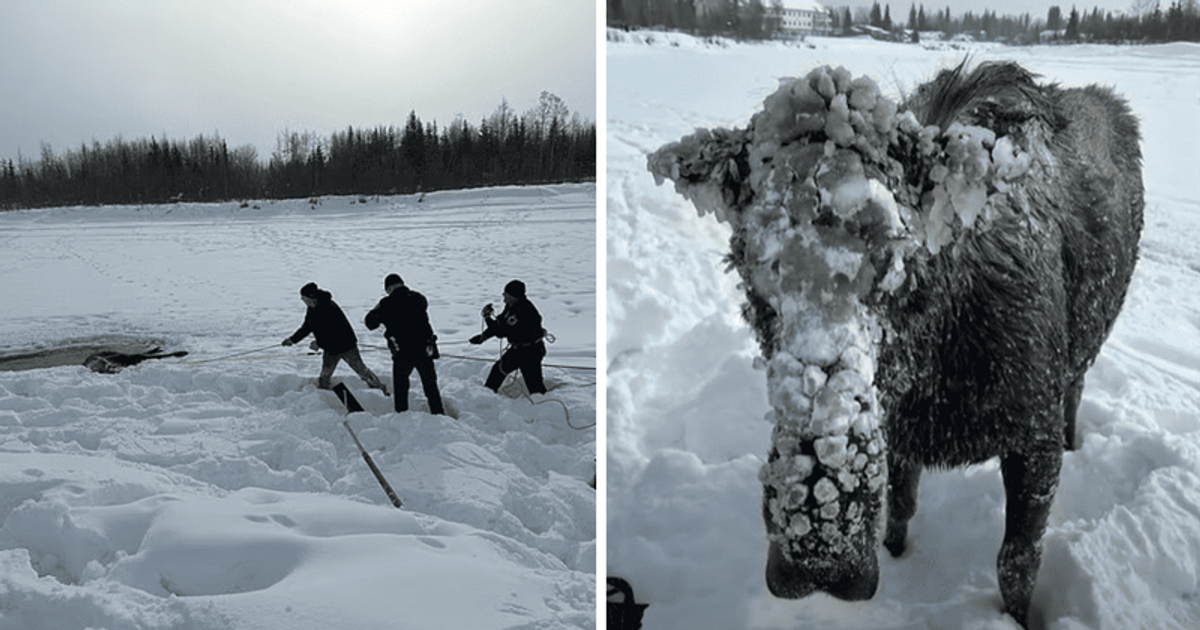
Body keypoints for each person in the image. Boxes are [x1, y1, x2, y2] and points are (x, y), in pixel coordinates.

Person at [283, 282, 388, 394]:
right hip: (331, 349)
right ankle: (324, 395)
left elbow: (332, 332)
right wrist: (293, 339)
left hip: (347, 346)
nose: (302, 300)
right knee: (324, 376)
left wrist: (318, 343)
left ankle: (380, 388)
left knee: (361, 370)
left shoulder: (329, 307)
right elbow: (307, 326)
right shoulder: (312, 308)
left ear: (311, 298)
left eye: (303, 298)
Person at [365, 273, 445, 415]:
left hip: (403, 352)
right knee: (430, 386)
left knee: (401, 387)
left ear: (389, 288)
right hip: (424, 348)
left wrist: (378, 307)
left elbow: (370, 323)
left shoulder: (387, 304)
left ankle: (402, 416)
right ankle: (438, 414)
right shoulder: (419, 298)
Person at [469, 279, 547, 395]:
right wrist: (483, 336)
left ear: (514, 295)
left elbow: (502, 331)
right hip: (517, 350)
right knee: (498, 370)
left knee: (535, 387)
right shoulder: (510, 306)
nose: (503, 295)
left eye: (506, 293)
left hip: (530, 352)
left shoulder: (524, 310)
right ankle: (487, 397)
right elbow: (499, 323)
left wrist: (487, 318)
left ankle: (544, 406)